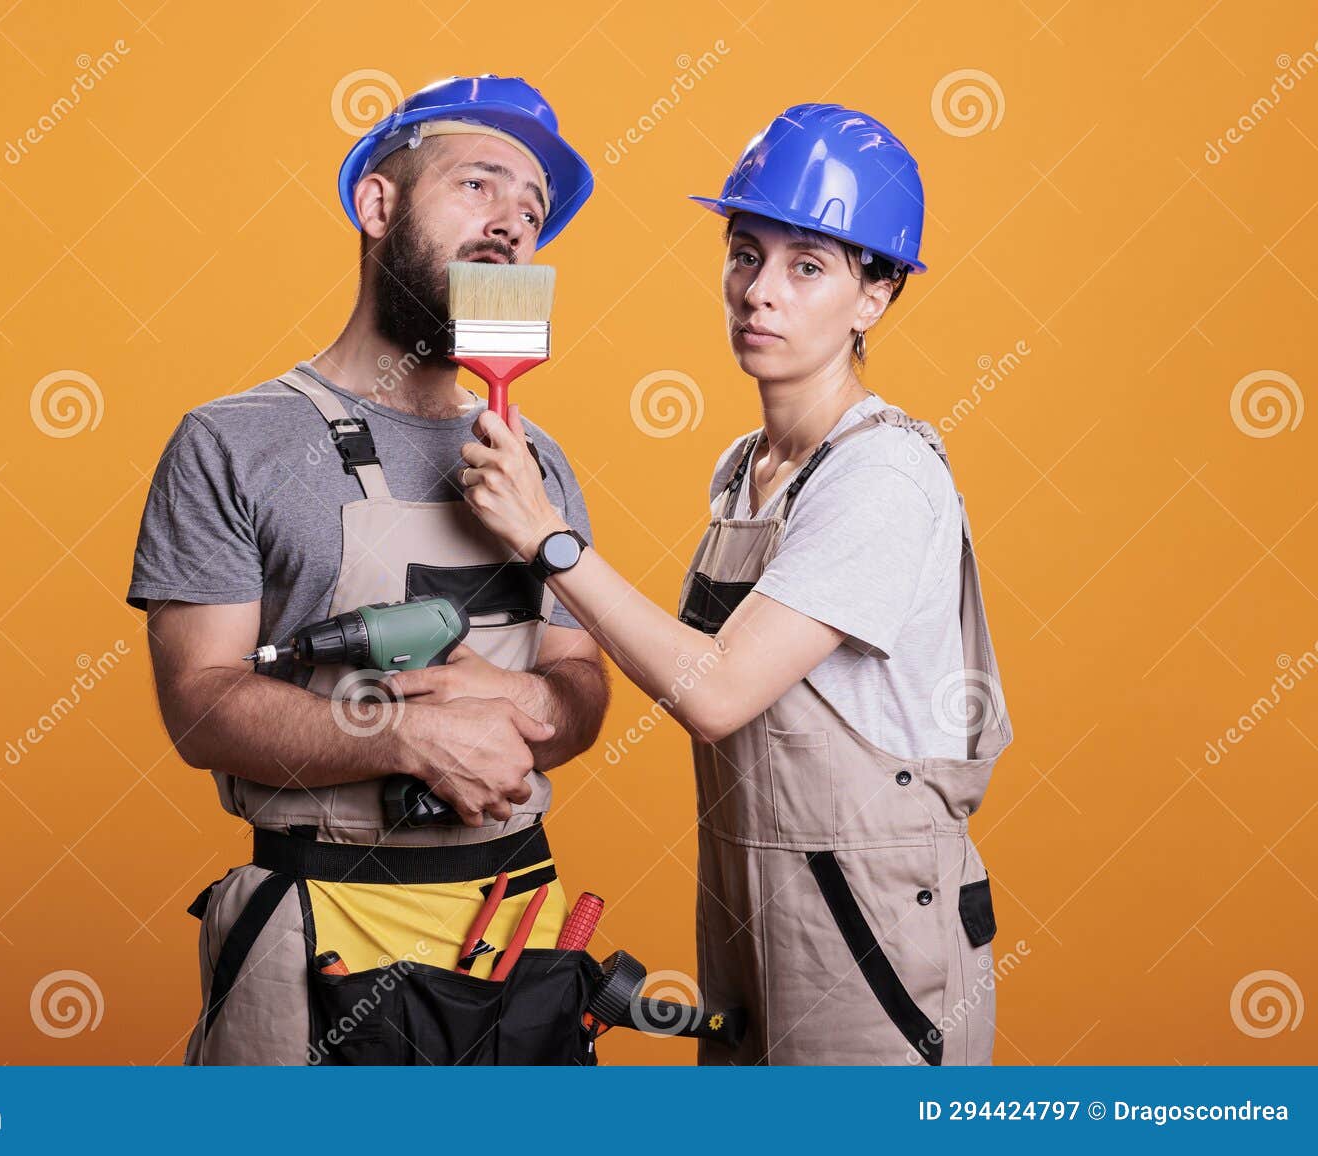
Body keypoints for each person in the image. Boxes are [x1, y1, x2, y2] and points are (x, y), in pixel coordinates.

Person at [449, 103, 1014, 1065]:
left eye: (808, 267)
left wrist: (548, 540)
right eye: (745, 254)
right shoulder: (743, 468)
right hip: (750, 906)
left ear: (875, 296)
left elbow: (714, 693)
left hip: (876, 935)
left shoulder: (882, 473)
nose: (760, 292)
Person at [126, 75, 610, 1065]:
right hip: (321, 926)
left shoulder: (537, 463)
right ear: (377, 204)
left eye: (532, 212)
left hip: (516, 922)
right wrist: (409, 737)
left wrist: (530, 698)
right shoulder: (235, 442)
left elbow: (582, 683)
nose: (511, 224)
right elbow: (200, 705)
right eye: (478, 184)